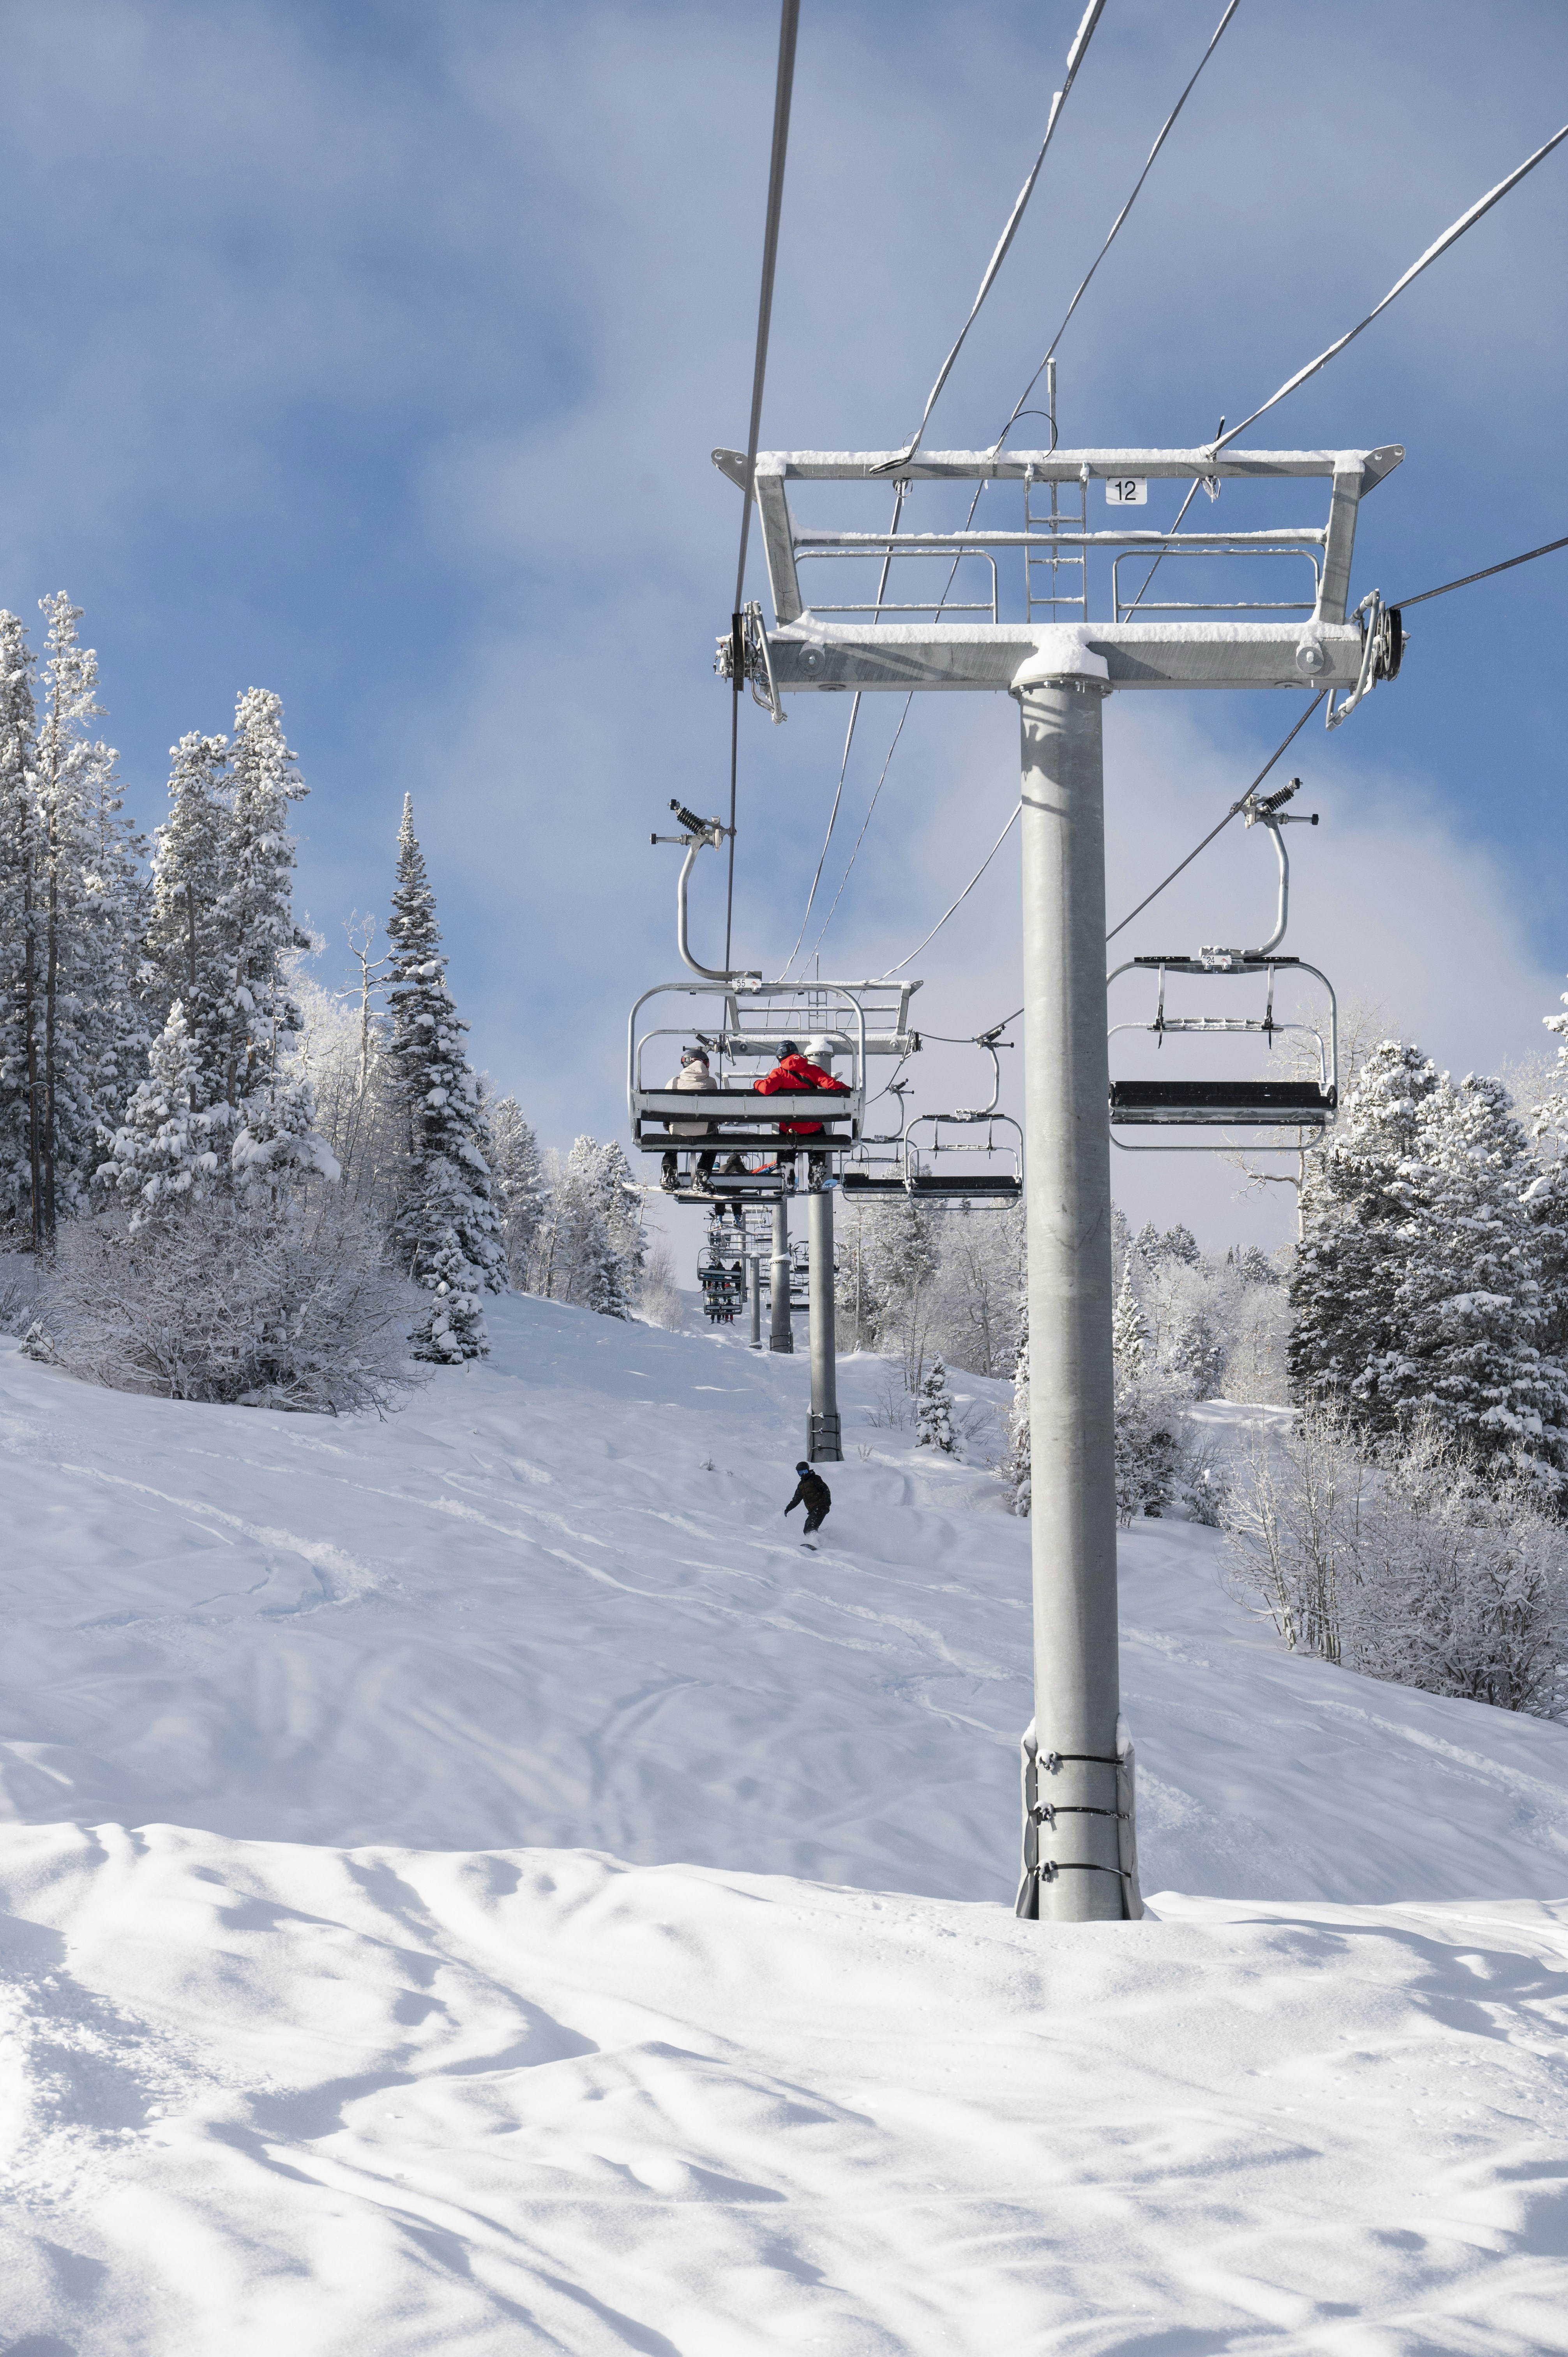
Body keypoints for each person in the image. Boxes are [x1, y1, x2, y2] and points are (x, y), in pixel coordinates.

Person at [753, 1037, 851, 1184]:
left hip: (790, 1128)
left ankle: (788, 1172)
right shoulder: (813, 1070)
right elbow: (831, 1084)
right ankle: (816, 1168)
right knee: (820, 1135)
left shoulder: (780, 1073)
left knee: (785, 1141)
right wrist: (847, 1089)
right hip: (813, 1126)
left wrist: (757, 1083)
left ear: (780, 1057)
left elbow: (766, 1088)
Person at [660, 1047, 719, 1191]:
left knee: (672, 1138)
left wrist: (668, 1124)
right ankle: (702, 1175)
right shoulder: (711, 1082)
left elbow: (664, 1108)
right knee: (713, 1143)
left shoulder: (674, 1082)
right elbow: (715, 1108)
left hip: (679, 1131)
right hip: (704, 1131)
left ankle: (668, 1172)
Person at [784, 1460, 832, 1546]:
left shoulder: (816, 1479)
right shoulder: (801, 1486)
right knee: (806, 1529)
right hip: (814, 1509)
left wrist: (828, 1503)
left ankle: (816, 1542)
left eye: (805, 1472)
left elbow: (826, 1490)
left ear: (808, 1470)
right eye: (801, 1473)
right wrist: (788, 1508)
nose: (803, 1475)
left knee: (812, 1524)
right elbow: (796, 1499)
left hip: (821, 1506)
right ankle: (813, 1542)